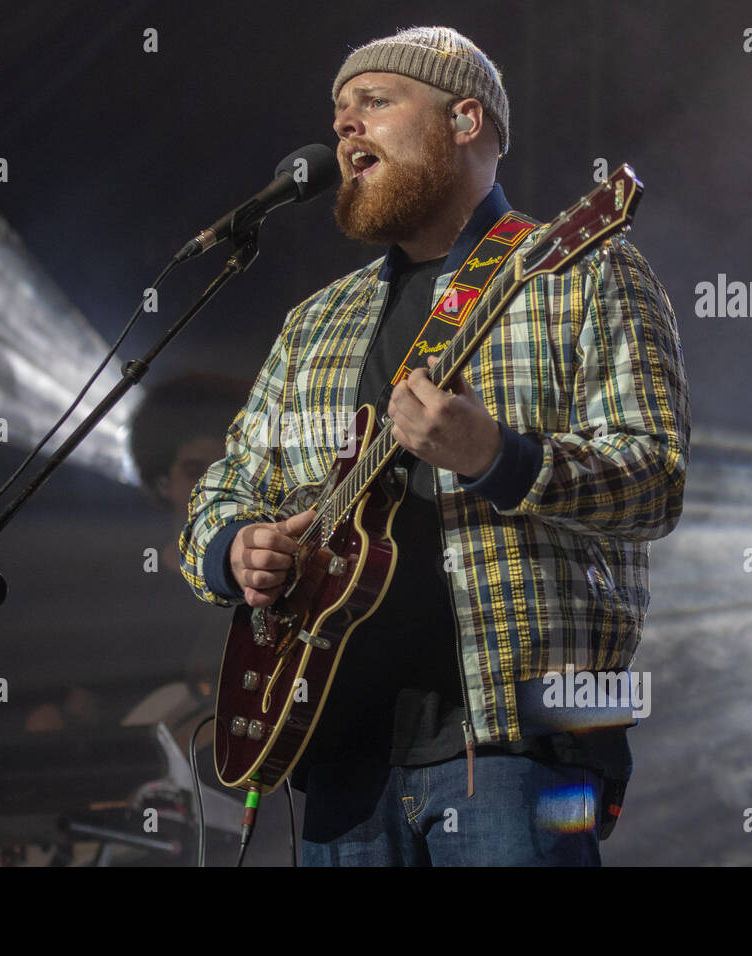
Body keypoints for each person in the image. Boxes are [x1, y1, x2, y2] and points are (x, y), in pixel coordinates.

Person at [178, 26, 690, 866]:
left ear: (466, 122)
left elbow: (655, 483)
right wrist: (238, 547)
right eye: (339, 113)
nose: (346, 127)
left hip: (523, 740)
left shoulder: (585, 269)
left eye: (375, 103)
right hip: (338, 747)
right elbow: (223, 488)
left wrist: (500, 456)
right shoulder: (316, 321)